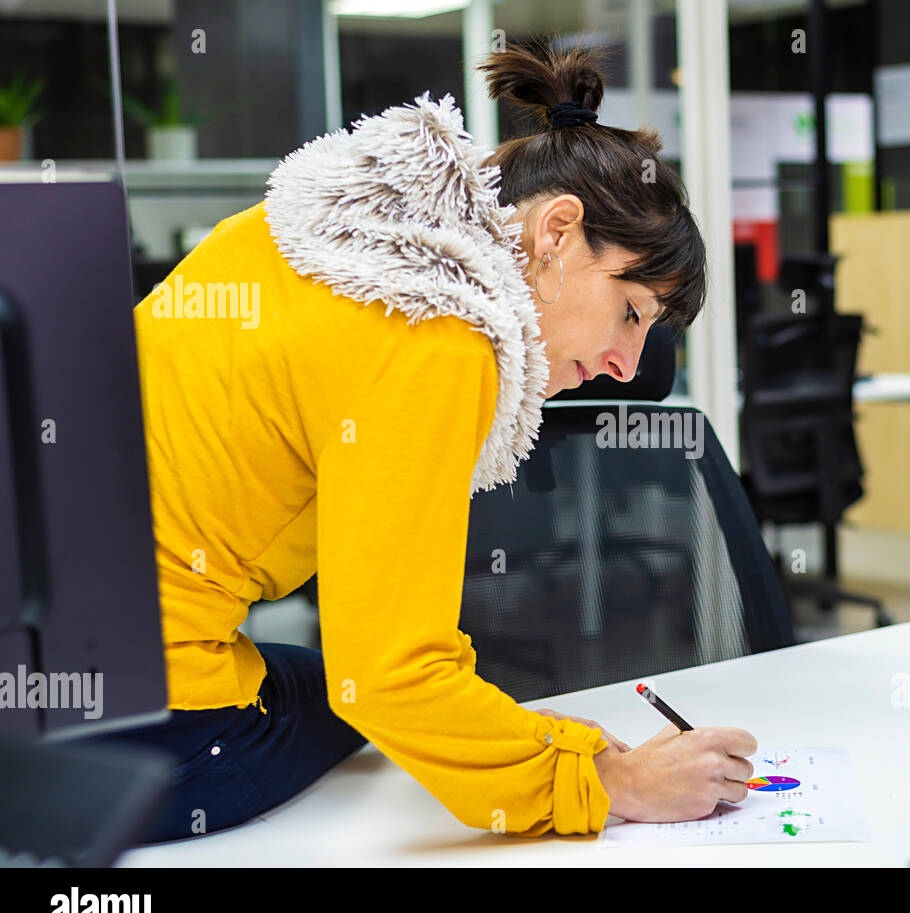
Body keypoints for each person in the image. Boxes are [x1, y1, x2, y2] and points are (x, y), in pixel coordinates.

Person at [84, 41, 757, 844]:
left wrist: (522, 736)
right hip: (129, 722)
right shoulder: (440, 338)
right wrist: (600, 779)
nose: (625, 365)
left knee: (325, 690)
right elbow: (387, 677)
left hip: (52, 652)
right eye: (631, 313)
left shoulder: (328, 235)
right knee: (350, 713)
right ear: (559, 230)